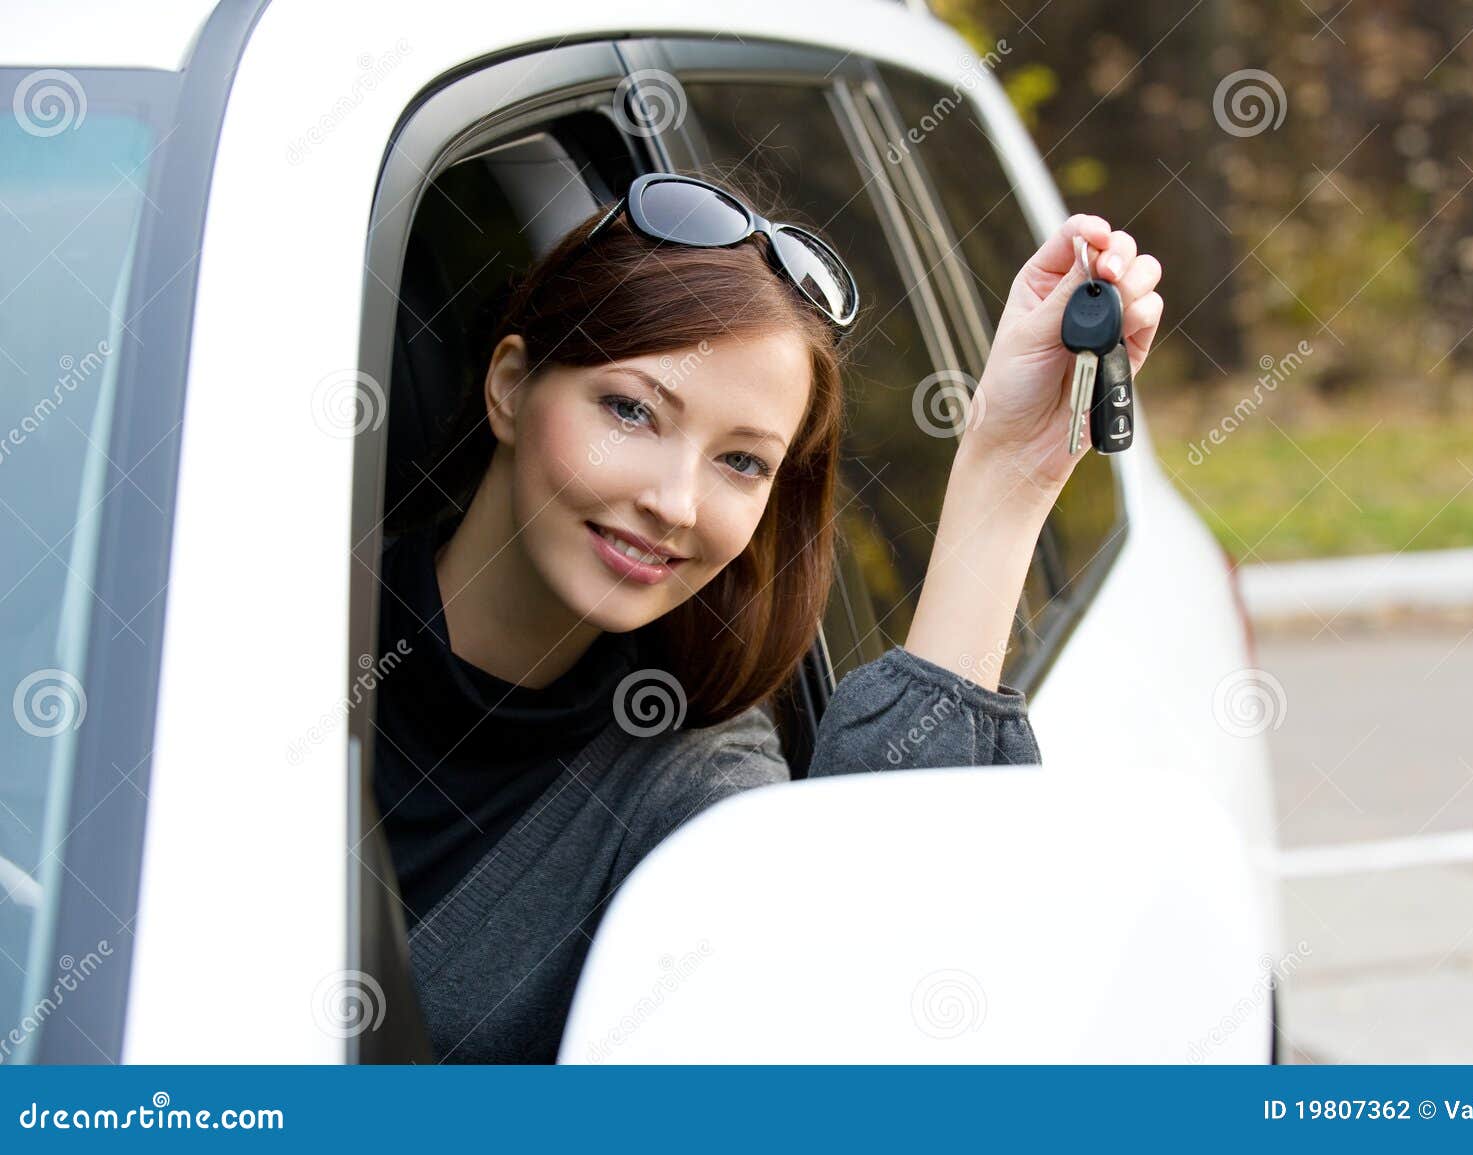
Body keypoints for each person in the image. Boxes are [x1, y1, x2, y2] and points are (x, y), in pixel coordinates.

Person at [372, 171, 1164, 1062]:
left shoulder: (689, 783)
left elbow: (850, 987)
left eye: (742, 463)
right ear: (510, 386)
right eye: (631, 411)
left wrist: (1007, 476)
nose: (676, 502)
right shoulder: (240, 616)